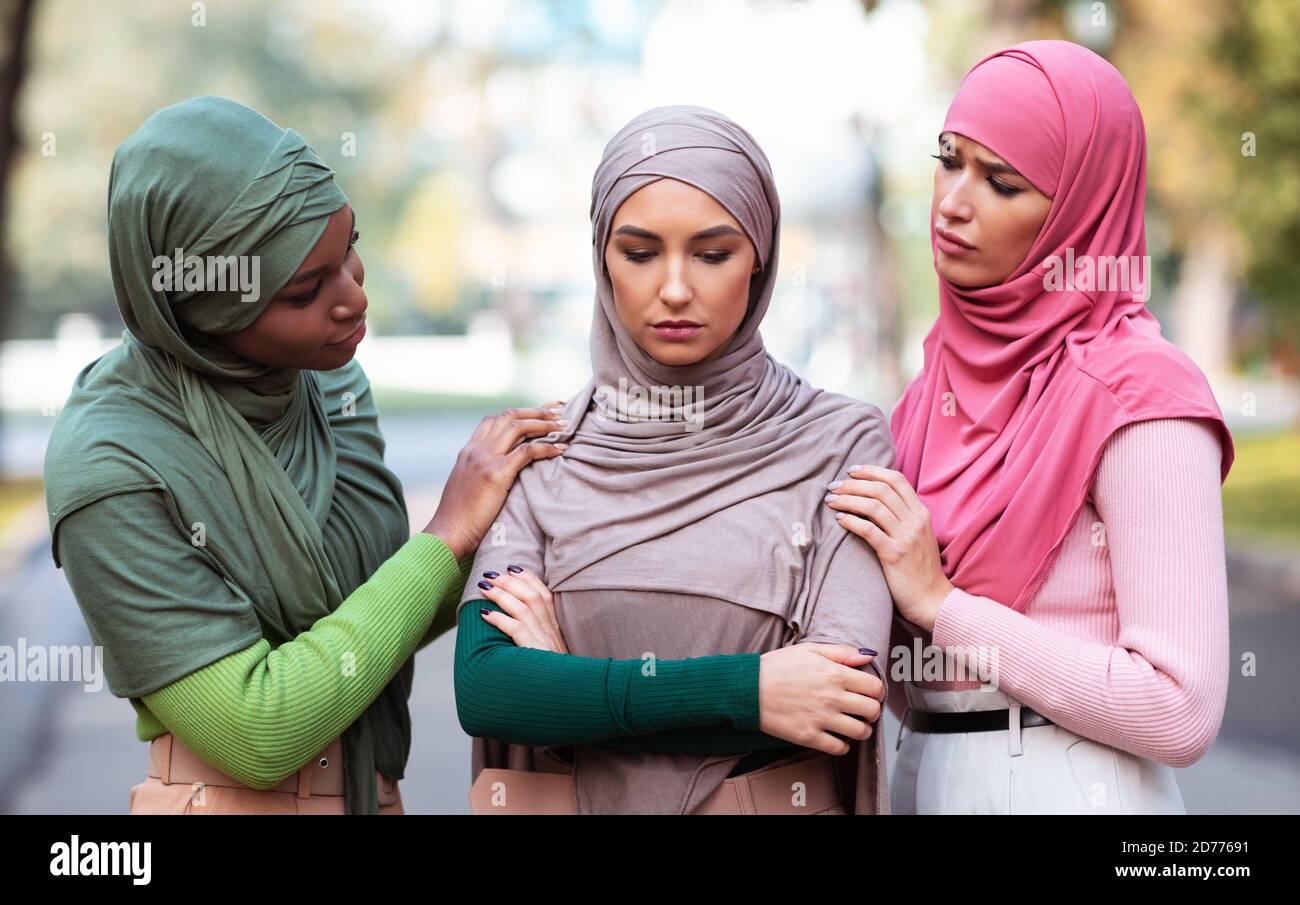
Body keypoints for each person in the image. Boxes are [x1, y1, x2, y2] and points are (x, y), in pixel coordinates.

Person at [42, 96, 565, 814]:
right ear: (199, 311)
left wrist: (538, 508)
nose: (355, 297)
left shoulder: (327, 381)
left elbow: (377, 610)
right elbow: (260, 728)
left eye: (349, 245)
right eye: (306, 289)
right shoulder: (110, 465)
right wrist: (447, 537)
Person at [821, 41, 1236, 814]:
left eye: (1000, 181)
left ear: (1081, 206)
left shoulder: (1140, 392)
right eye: (950, 160)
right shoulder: (929, 396)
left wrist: (943, 604)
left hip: (1069, 784)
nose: (951, 202)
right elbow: (913, 676)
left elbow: (1179, 706)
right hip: (925, 772)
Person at [453, 105, 896, 814]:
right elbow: (488, 689)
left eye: (713, 253)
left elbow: (838, 697)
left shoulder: (840, 441)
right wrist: (750, 691)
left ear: (761, 256)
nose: (676, 288)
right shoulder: (542, 447)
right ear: (601, 257)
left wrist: (570, 684)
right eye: (639, 252)